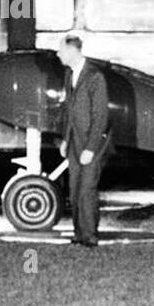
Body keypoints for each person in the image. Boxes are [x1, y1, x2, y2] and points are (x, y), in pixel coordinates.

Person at [57, 35, 111, 248]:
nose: (58, 54)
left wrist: (90, 147)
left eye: (60, 50)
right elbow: (70, 112)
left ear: (72, 51)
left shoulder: (95, 76)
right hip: (74, 142)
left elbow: (101, 116)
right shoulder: (70, 74)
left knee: (87, 189)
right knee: (74, 188)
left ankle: (90, 236)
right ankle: (79, 234)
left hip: (91, 143)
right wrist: (65, 139)